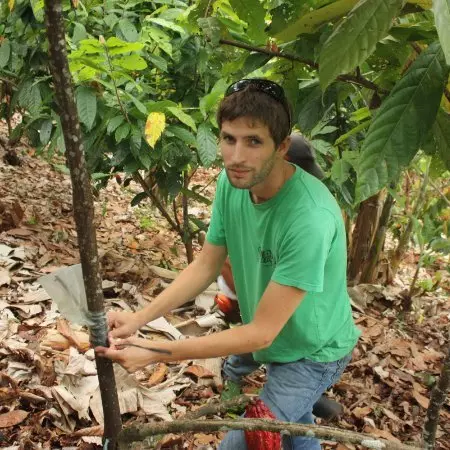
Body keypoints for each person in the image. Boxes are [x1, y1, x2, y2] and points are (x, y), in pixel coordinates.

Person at [96, 78, 361, 449]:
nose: (236, 156)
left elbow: (260, 333)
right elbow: (206, 265)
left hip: (314, 352)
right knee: (296, 432)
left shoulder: (310, 218)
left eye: (254, 141)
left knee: (245, 441)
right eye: (228, 138)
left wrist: (155, 352)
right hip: (280, 341)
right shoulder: (232, 183)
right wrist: (138, 320)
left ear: (282, 147)